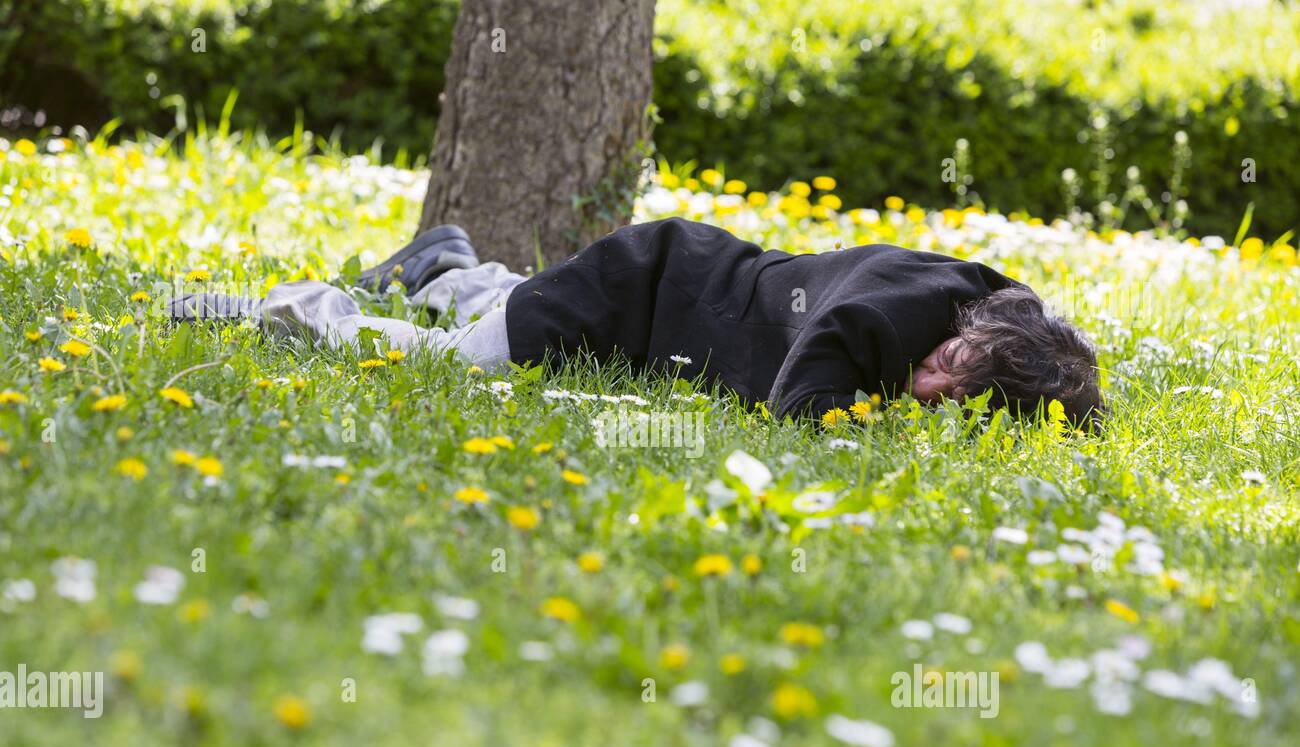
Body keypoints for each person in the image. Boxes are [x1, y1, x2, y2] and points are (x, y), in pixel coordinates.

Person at [168, 217, 1104, 425]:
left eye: (958, 391)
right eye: (945, 362)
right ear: (960, 327)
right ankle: (286, 311)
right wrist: (847, 426)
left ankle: (446, 265)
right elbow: (812, 376)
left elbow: (1057, 403)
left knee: (506, 316)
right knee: (460, 366)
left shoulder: (996, 320)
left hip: (660, 313)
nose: (932, 383)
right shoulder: (893, 311)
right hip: (641, 283)